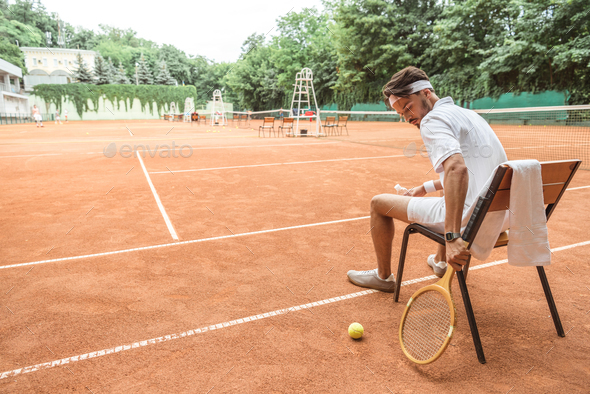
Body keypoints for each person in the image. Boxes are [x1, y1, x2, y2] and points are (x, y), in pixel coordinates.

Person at [347, 66, 508, 292]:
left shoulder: (432, 120)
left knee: (378, 203)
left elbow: (458, 170)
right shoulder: (470, 115)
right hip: (501, 216)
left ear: (425, 93)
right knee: (449, 186)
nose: (407, 117)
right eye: (401, 113)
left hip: (470, 220)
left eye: (408, 107)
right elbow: (474, 172)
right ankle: (440, 262)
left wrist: (452, 237)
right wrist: (425, 187)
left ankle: (383, 277)